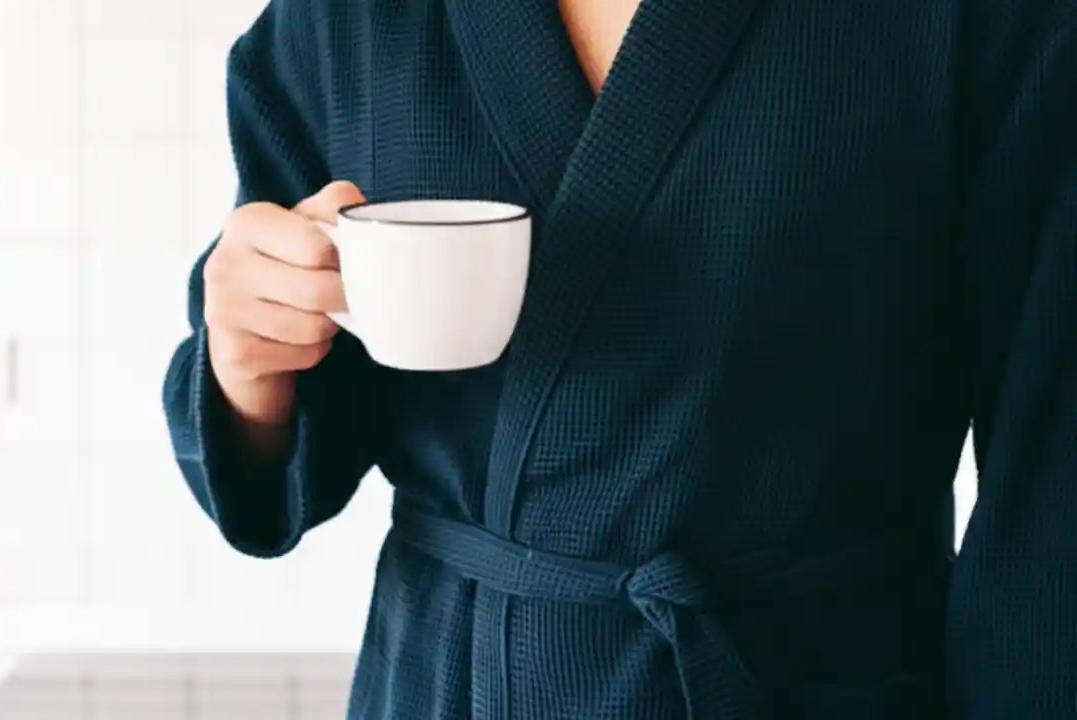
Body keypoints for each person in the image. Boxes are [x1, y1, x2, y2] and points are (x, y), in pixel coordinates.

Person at [163, 1, 1077, 717]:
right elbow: (294, 409)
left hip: (815, 682)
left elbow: (1052, 491)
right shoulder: (347, 16)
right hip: (456, 685)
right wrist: (252, 362)